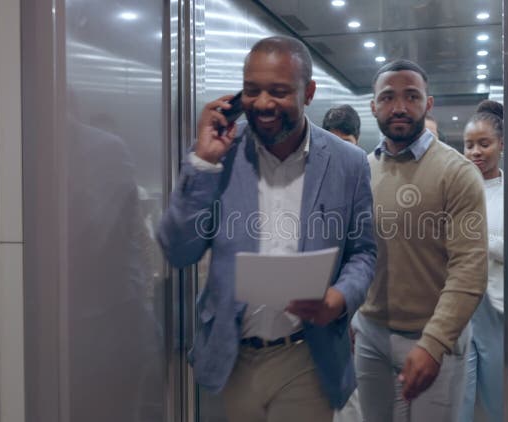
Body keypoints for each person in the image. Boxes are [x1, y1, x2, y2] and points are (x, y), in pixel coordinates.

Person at [158, 35, 377, 422]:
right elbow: (179, 251)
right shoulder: (218, 155)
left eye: (278, 91)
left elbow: (363, 253)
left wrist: (340, 298)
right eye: (251, 91)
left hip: (307, 356)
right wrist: (203, 163)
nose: (262, 104)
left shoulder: (348, 163)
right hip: (232, 356)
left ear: (307, 92)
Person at [353, 59, 488, 422]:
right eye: (388, 97)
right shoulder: (362, 170)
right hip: (370, 336)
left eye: (411, 96)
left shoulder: (457, 173)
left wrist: (434, 342)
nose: (399, 107)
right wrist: (352, 320)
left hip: (433, 340)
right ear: (373, 107)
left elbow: (470, 268)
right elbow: (355, 253)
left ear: (428, 104)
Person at [458, 100, 505, 422]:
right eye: (469, 145)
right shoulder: (455, 188)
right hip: (459, 303)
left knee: (496, 400)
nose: (475, 151)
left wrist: (479, 240)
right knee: (459, 398)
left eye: (484, 144)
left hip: (497, 308)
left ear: (501, 144)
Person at [321, 104, 366, 422]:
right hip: (329, 310)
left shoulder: (368, 176)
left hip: (366, 307)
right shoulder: (315, 182)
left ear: (358, 141)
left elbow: (368, 253)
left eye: (346, 146)